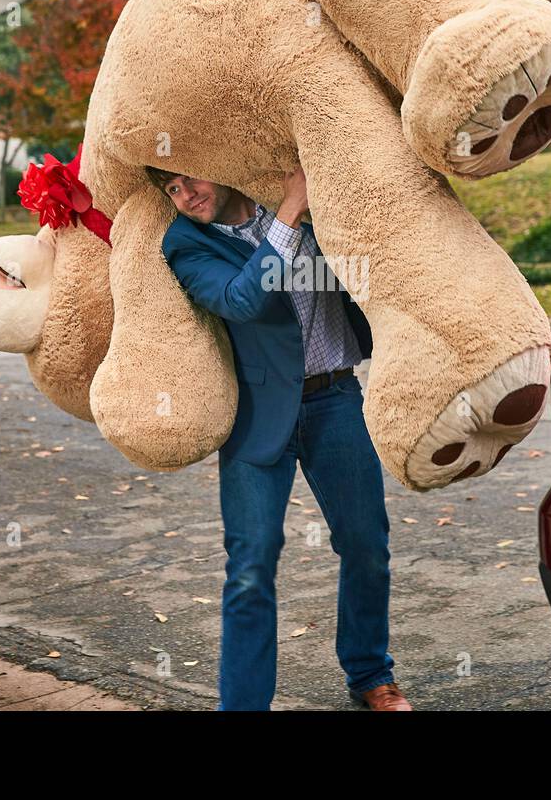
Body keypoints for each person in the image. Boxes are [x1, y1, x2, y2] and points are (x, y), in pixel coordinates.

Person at [149, 163, 410, 711]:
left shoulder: (305, 197)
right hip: (256, 412)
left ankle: (370, 676)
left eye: (189, 179)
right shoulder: (186, 241)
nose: (186, 195)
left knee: (367, 546)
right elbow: (245, 301)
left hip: (336, 399)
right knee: (250, 565)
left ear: (219, 165)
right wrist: (292, 209)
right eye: (171, 190)